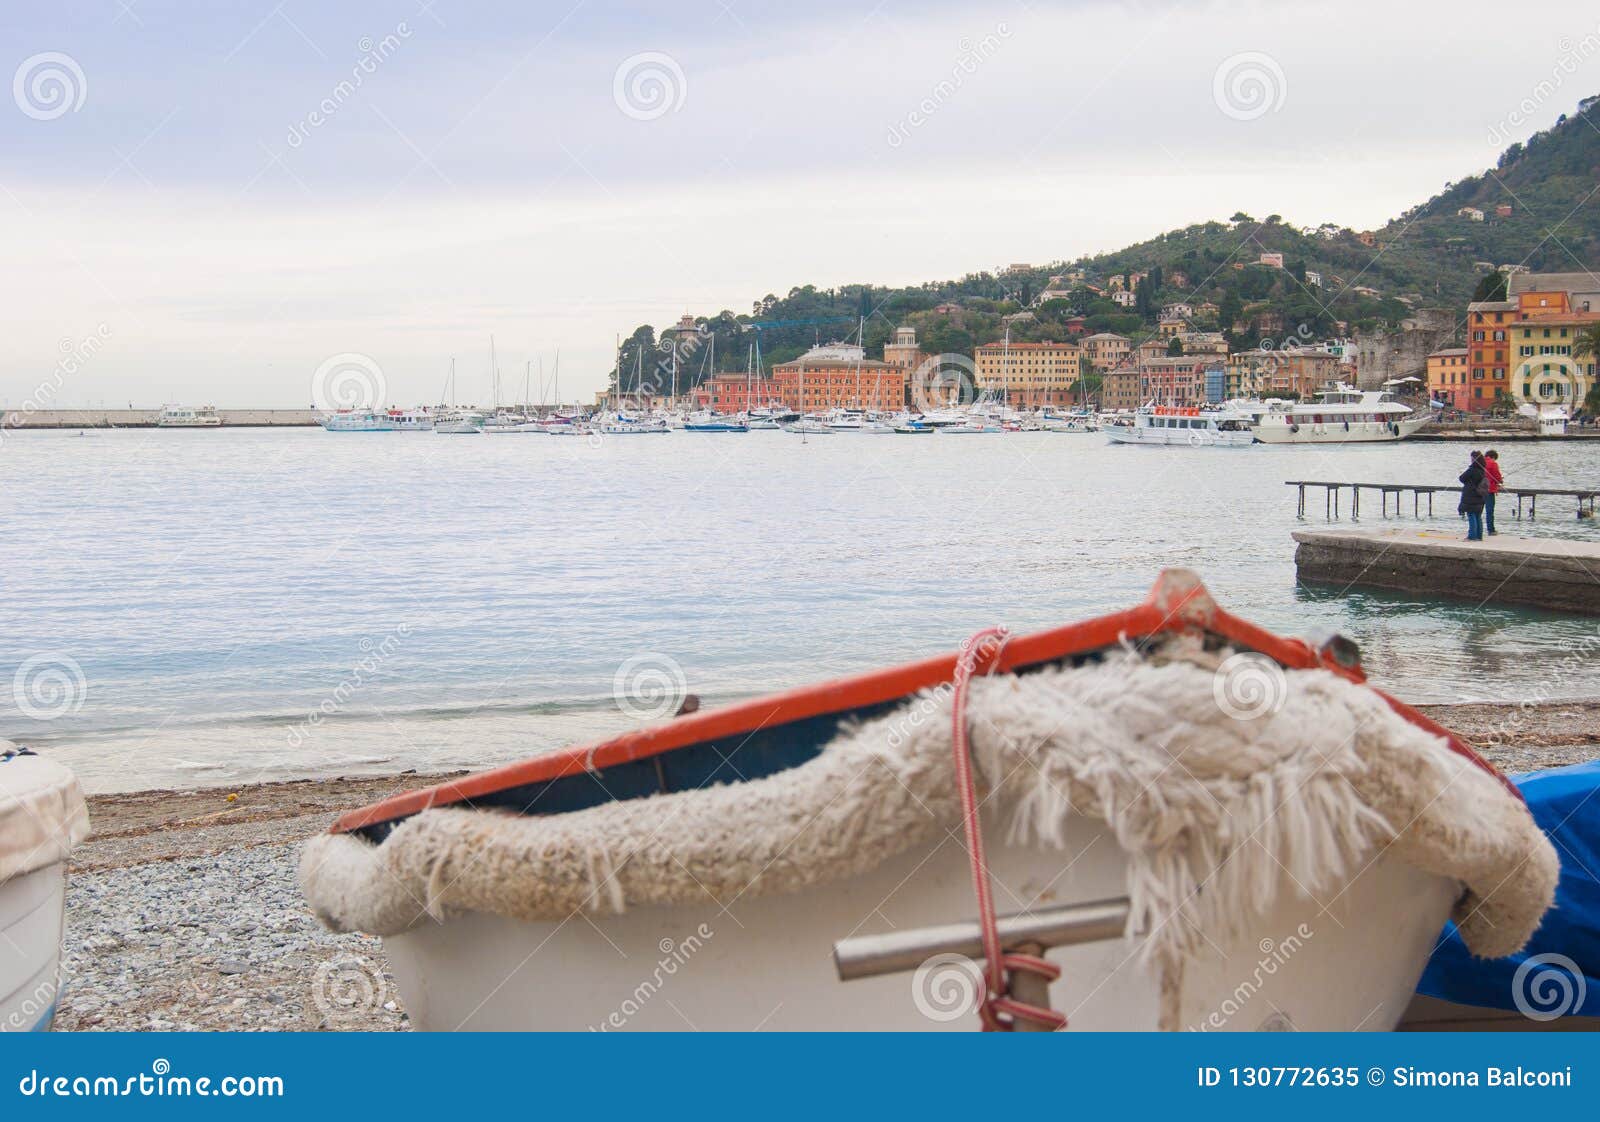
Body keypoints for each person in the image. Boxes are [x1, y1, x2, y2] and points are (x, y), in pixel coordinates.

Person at [1458, 450, 1488, 541]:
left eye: (1472, 458)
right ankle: (1479, 536)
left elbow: (1462, 478)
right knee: (1478, 516)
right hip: (1480, 496)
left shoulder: (1472, 470)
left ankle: (1472, 536)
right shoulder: (1483, 470)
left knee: (1471, 515)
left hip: (1471, 496)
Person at [1483, 449, 1503, 535]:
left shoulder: (1479, 462)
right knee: (1489, 511)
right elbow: (1497, 477)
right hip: (1489, 490)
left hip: (1478, 490)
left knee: (1477, 510)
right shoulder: (1493, 463)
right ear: (1494, 457)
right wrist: (1500, 481)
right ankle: (1491, 530)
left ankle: (1476, 529)